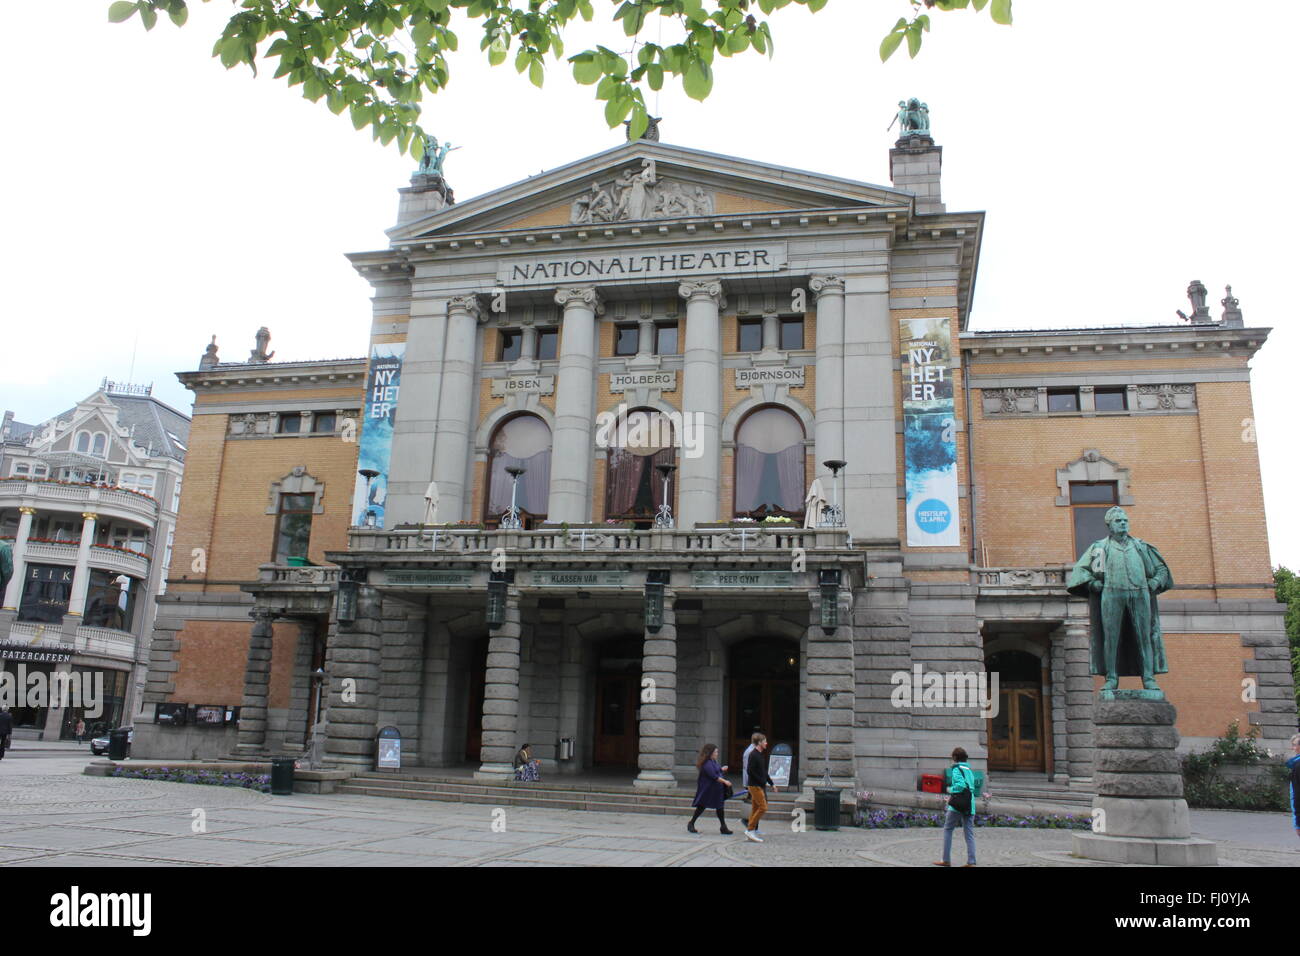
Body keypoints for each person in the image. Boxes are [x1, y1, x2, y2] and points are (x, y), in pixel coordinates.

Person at [1066, 506, 1173, 696]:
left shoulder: (1141, 547)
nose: (1123, 523)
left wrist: (1155, 582)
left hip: (1140, 593)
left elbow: (1162, 570)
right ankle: (1111, 678)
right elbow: (1081, 571)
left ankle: (1148, 678)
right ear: (1109, 525)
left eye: (1125, 520)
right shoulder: (1100, 548)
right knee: (1111, 638)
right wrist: (1092, 584)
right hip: (1111, 594)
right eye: (1118, 520)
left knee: (1144, 637)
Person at [934, 747, 977, 867]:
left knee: (948, 829)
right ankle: (971, 861)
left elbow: (960, 786)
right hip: (970, 803)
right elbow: (971, 787)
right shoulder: (969, 770)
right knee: (969, 833)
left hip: (958, 804)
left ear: (955, 758)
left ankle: (946, 860)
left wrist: (949, 789)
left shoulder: (957, 769)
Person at [687, 743, 733, 835]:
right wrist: (725, 781)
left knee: (720, 807)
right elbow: (714, 776)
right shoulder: (707, 763)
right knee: (701, 807)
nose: (717, 753)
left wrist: (721, 769)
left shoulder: (713, 761)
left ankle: (723, 826)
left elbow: (716, 771)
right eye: (716, 752)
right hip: (708, 790)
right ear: (710, 753)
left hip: (716, 790)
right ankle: (691, 823)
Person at [745, 733, 777, 843]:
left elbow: (763, 772)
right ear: (759, 742)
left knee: (755, 808)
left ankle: (751, 830)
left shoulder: (760, 755)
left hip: (758, 785)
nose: (766, 743)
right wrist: (761, 781)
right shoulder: (753, 754)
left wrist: (771, 784)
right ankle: (750, 829)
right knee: (763, 807)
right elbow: (750, 771)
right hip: (755, 786)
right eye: (764, 741)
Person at [1287, 733, 1300, 843]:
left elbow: (1297, 793)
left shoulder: (1297, 765)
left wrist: (1298, 821)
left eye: (1294, 744)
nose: (1293, 748)